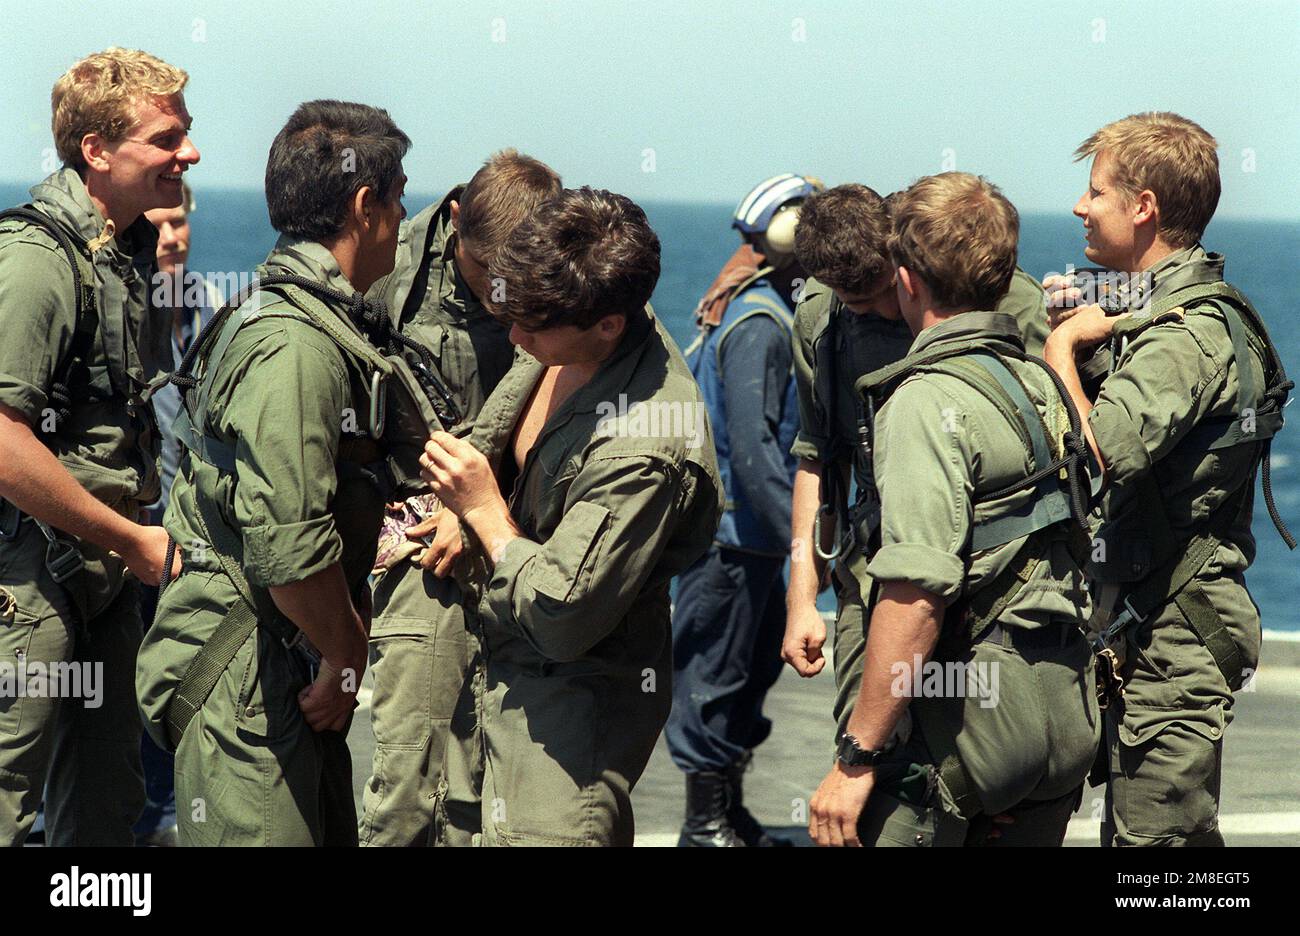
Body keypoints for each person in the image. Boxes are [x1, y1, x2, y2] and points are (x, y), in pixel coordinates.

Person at [136, 99, 421, 846]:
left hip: (278, 665)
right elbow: (288, 555)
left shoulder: (293, 312)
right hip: (252, 678)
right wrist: (349, 653)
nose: (403, 214)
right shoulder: (293, 346)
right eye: (398, 196)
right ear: (366, 204)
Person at [419, 187, 723, 846]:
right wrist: (473, 485)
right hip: (500, 671)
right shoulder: (576, 309)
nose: (515, 337)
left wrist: (483, 510)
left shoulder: (644, 447)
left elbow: (563, 616)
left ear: (610, 323)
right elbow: (516, 399)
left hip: (571, 712)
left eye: (533, 325)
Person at [808, 171, 1099, 847]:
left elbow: (915, 595)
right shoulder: (1046, 384)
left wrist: (856, 760)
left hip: (968, 731)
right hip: (1060, 713)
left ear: (907, 281)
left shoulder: (922, 401)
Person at [1042, 113, 1292, 847]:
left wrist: (1062, 352)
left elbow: (1100, 452)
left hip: (1172, 638)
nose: (1081, 208)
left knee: (1159, 856)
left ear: (1143, 207)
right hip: (1138, 625)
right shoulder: (1145, 304)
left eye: (1096, 193)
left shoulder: (1186, 335)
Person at [0, 48, 197, 847]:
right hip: (31, 580)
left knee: (107, 812)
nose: (188, 152)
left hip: (101, 575)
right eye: (165, 138)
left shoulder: (118, 257)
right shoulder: (37, 262)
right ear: (96, 151)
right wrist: (131, 539)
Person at [783, 184, 1052, 749]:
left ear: (902, 265)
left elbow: (1052, 439)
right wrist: (802, 598)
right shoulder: (820, 325)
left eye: (887, 291)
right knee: (868, 752)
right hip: (878, 564)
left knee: (993, 759)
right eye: (860, 305)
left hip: (996, 571)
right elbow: (817, 458)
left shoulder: (1008, 302)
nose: (887, 311)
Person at [359, 150, 561, 847]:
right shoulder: (384, 273)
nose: (503, 303)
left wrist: (475, 505)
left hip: (516, 541)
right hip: (417, 549)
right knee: (410, 788)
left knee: (489, 792)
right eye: (486, 278)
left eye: (518, 286)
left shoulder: (563, 270)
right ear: (453, 225)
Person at [668, 174, 819, 847]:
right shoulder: (760, 324)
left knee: (750, 676)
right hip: (731, 545)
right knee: (715, 683)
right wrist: (806, 543)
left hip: (751, 544)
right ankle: (704, 829)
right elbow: (756, 454)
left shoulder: (769, 309)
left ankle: (727, 814)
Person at [133, 180, 221, 846]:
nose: (170, 238)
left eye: (178, 224)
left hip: (184, 539)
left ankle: (163, 821)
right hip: (114, 535)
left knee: (172, 681)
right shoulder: (109, 308)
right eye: (156, 224)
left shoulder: (212, 312)